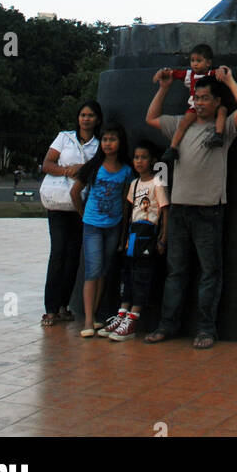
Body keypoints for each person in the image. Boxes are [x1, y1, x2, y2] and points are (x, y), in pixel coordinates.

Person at [144, 67, 237, 349]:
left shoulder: (224, 129)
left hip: (209, 210)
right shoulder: (182, 124)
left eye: (206, 98)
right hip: (179, 209)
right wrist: (164, 88)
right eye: (198, 97)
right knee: (176, 272)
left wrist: (228, 80)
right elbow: (151, 118)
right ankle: (167, 325)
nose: (201, 103)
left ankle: (205, 329)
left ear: (217, 102)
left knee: (209, 273)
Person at [99, 138, 169, 341]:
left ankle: (133, 317)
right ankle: (122, 313)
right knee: (127, 275)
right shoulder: (134, 183)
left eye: (144, 157)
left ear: (152, 160)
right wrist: (124, 239)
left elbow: (165, 212)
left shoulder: (157, 183)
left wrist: (163, 238)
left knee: (142, 276)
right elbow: (129, 212)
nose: (139, 161)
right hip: (133, 235)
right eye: (136, 157)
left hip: (148, 233)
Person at [40, 100, 102, 327]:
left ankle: (64, 305)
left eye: (90, 115)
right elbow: (47, 163)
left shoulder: (98, 144)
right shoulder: (64, 137)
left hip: (80, 204)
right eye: (83, 115)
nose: (86, 119)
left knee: (73, 255)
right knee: (58, 252)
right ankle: (50, 308)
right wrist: (67, 171)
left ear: (97, 119)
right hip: (58, 202)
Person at [71, 123, 132, 337]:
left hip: (113, 225)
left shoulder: (126, 170)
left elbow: (126, 201)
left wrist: (123, 229)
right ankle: (88, 319)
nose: (108, 143)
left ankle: (95, 314)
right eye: (105, 140)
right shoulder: (94, 166)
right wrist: (83, 215)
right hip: (93, 225)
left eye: (112, 139)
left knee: (104, 270)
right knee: (93, 270)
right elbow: (75, 191)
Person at [160, 44, 227, 160]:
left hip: (212, 106)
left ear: (208, 63)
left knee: (222, 110)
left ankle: (218, 135)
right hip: (194, 107)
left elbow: (223, 72)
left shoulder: (211, 74)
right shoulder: (189, 74)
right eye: (192, 60)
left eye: (199, 60)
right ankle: (173, 147)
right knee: (183, 123)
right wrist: (163, 72)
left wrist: (222, 69)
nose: (195, 63)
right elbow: (173, 73)